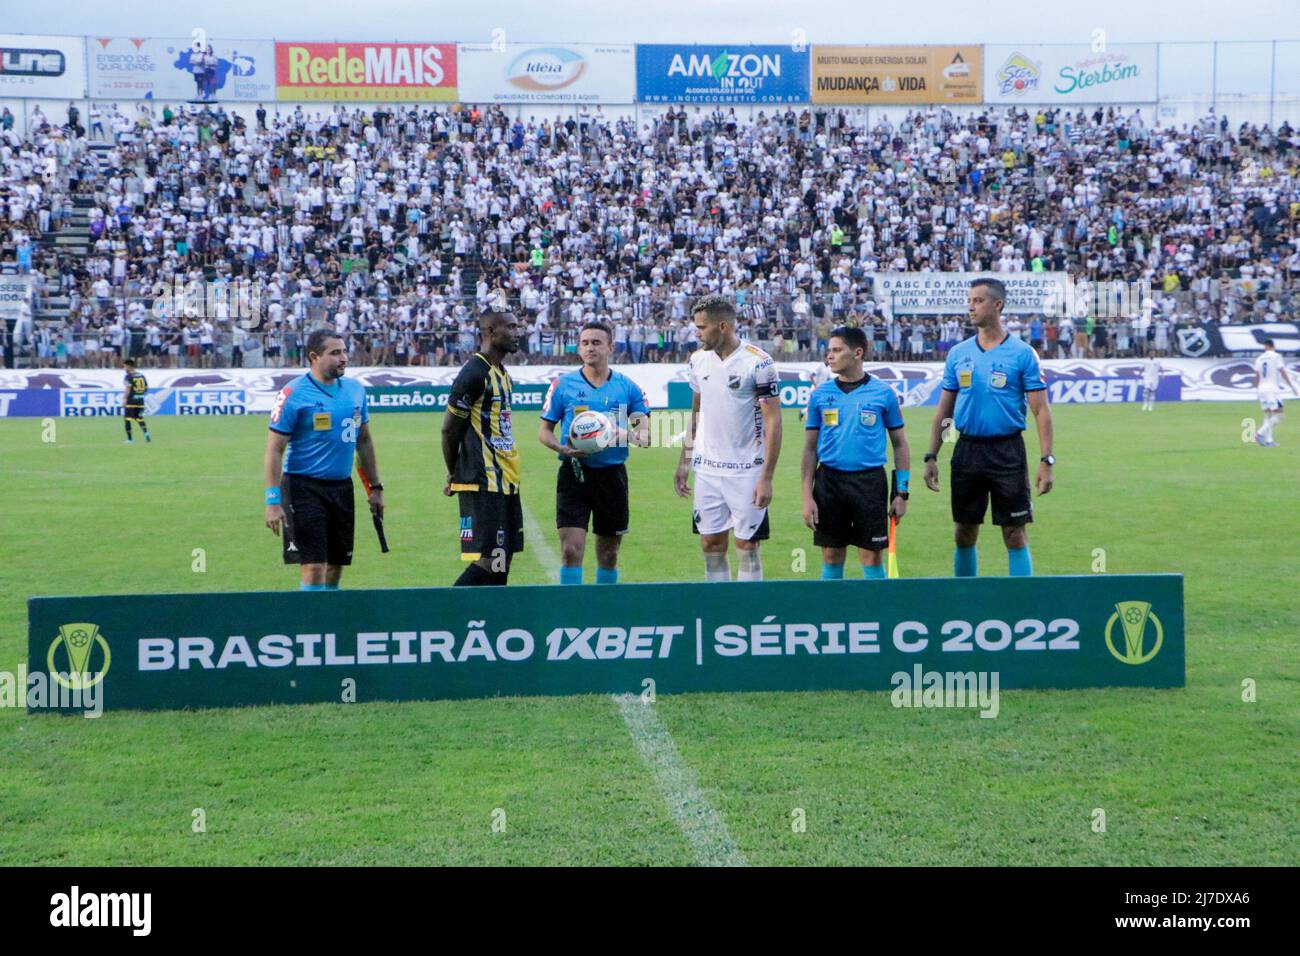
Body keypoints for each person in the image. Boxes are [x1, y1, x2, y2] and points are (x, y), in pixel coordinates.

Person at [922, 278, 1054, 578]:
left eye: (978, 300)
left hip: (1007, 450)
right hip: (967, 450)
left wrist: (1047, 460)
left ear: (998, 305)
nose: (971, 306)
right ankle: (964, 597)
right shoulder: (958, 353)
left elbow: (1040, 410)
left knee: (1014, 533)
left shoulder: (1022, 353)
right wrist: (932, 455)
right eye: (969, 300)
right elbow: (945, 410)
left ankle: (1022, 602)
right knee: (964, 532)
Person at [674, 294, 782, 582]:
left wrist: (767, 477)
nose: (696, 334)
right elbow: (697, 412)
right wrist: (685, 461)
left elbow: (773, 420)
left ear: (722, 326)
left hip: (747, 471)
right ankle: (719, 612)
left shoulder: (759, 363)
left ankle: (747, 614)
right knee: (711, 545)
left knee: (747, 546)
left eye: (701, 327)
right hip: (707, 470)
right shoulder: (697, 360)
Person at [263, 329, 382, 591]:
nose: (344, 358)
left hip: (341, 488)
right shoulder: (293, 393)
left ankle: (328, 628)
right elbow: (274, 449)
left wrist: (375, 488)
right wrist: (272, 501)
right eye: (335, 353)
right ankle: (310, 627)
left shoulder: (355, 391)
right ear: (314, 357)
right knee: (314, 565)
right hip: (302, 488)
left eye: (344, 351)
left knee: (335, 566)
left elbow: (364, 441)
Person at [538, 321, 651, 585]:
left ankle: (604, 612)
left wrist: (622, 435)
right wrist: (561, 448)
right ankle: (572, 611)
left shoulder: (628, 388)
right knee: (570, 550)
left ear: (610, 347)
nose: (591, 348)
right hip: (573, 474)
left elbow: (646, 437)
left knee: (609, 554)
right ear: (578, 348)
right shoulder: (563, 385)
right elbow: (544, 431)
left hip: (612, 477)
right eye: (586, 343)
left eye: (597, 342)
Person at [801, 327, 911, 580]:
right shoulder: (820, 395)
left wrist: (901, 493)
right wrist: (807, 497)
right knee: (831, 554)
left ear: (858, 353)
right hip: (829, 482)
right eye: (829, 350)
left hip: (870, 482)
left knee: (871, 556)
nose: (830, 356)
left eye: (837, 350)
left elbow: (900, 445)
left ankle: (877, 615)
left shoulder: (884, 393)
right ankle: (832, 616)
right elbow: (809, 450)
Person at [442, 311, 523, 586]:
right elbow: (450, 429)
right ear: (490, 331)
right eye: (510, 327)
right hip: (482, 481)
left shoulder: (503, 374)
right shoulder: (474, 373)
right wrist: (453, 471)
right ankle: (442, 613)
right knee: (488, 560)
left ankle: (493, 624)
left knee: (502, 560)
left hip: (506, 481)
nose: (517, 332)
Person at [1254, 339, 1295, 447]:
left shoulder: (1259, 358)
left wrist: (1257, 390)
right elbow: (1282, 371)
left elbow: (1257, 376)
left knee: (1268, 414)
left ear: (1265, 347)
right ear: (1273, 346)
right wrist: (1291, 385)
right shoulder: (1276, 356)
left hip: (1261, 389)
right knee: (1279, 415)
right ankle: (1259, 433)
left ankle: (1269, 441)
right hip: (1272, 389)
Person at [121, 358, 151, 444]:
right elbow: (146, 388)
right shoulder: (141, 375)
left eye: (124, 367)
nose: (124, 369)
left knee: (127, 419)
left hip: (131, 400)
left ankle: (130, 439)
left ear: (128, 366)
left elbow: (128, 388)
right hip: (140, 400)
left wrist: (124, 399)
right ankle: (146, 433)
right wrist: (140, 394)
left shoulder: (128, 376)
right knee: (139, 418)